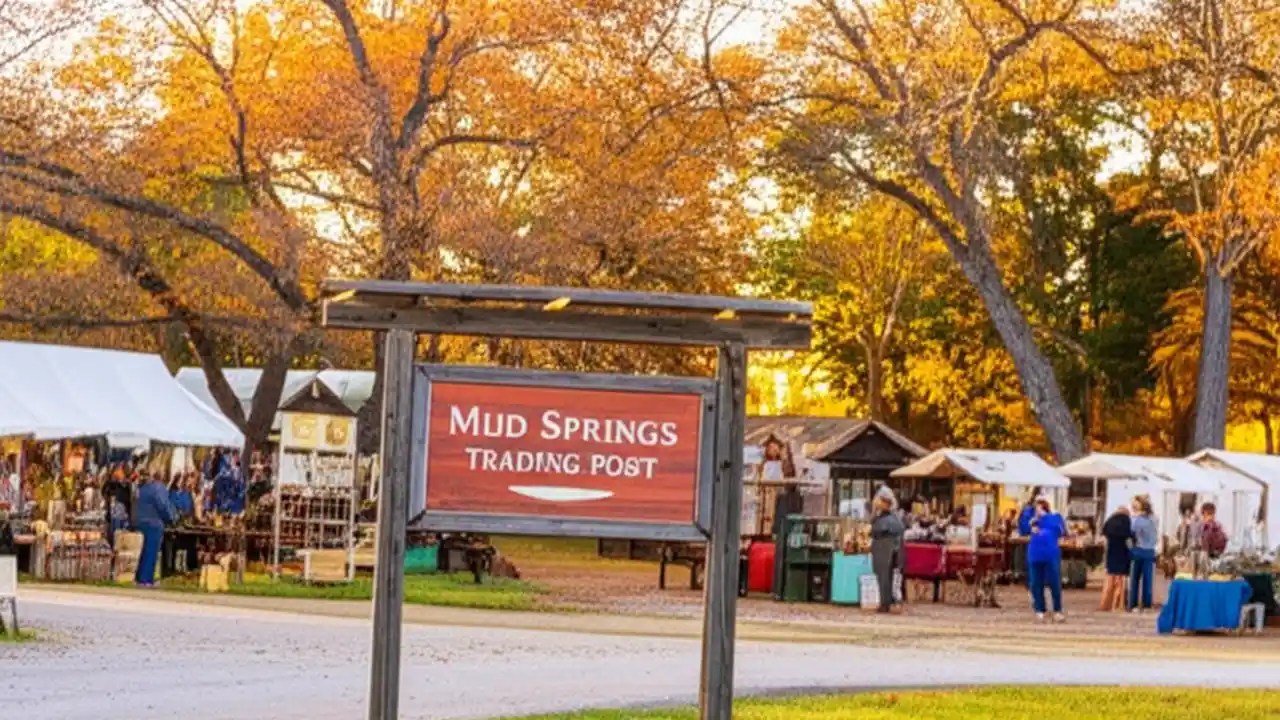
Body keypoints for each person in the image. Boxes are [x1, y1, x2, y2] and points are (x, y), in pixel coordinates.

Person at [1027, 497, 1067, 623]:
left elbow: (1062, 531)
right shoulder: (1031, 519)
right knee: (1035, 583)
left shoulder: (1054, 517)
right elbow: (1023, 526)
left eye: (1038, 507)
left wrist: (1044, 519)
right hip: (1035, 554)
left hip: (1050, 554)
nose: (1036, 510)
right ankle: (1040, 610)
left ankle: (1057, 610)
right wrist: (1031, 521)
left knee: (1054, 583)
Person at [134, 471, 176, 588]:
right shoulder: (158, 488)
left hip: (141, 521)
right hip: (154, 521)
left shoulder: (142, 488)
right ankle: (146, 579)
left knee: (144, 551)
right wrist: (171, 518)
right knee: (151, 551)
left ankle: (139, 577)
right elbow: (163, 506)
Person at [870, 496, 905, 613]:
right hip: (889, 550)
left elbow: (876, 530)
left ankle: (886, 603)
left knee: (885, 578)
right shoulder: (894, 518)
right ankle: (888, 602)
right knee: (888, 577)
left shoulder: (884, 520)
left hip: (884, 550)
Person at [771, 482, 805, 600]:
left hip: (788, 530)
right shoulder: (787, 496)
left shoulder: (793, 496)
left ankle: (779, 591)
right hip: (786, 530)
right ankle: (778, 591)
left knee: (782, 560)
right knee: (781, 561)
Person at [1129, 495, 1159, 613]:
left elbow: (1132, 534)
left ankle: (1133, 604)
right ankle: (1147, 604)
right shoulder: (1154, 519)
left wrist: (1130, 548)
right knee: (1148, 579)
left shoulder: (1135, 520)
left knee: (1135, 579)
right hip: (1150, 550)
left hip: (1138, 549)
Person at [1099, 506, 1131, 612]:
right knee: (1120, 580)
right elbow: (1129, 538)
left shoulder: (1110, 521)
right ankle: (1117, 604)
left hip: (1111, 552)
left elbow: (1104, 536)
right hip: (1122, 552)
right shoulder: (1126, 521)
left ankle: (1105, 604)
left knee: (1109, 579)